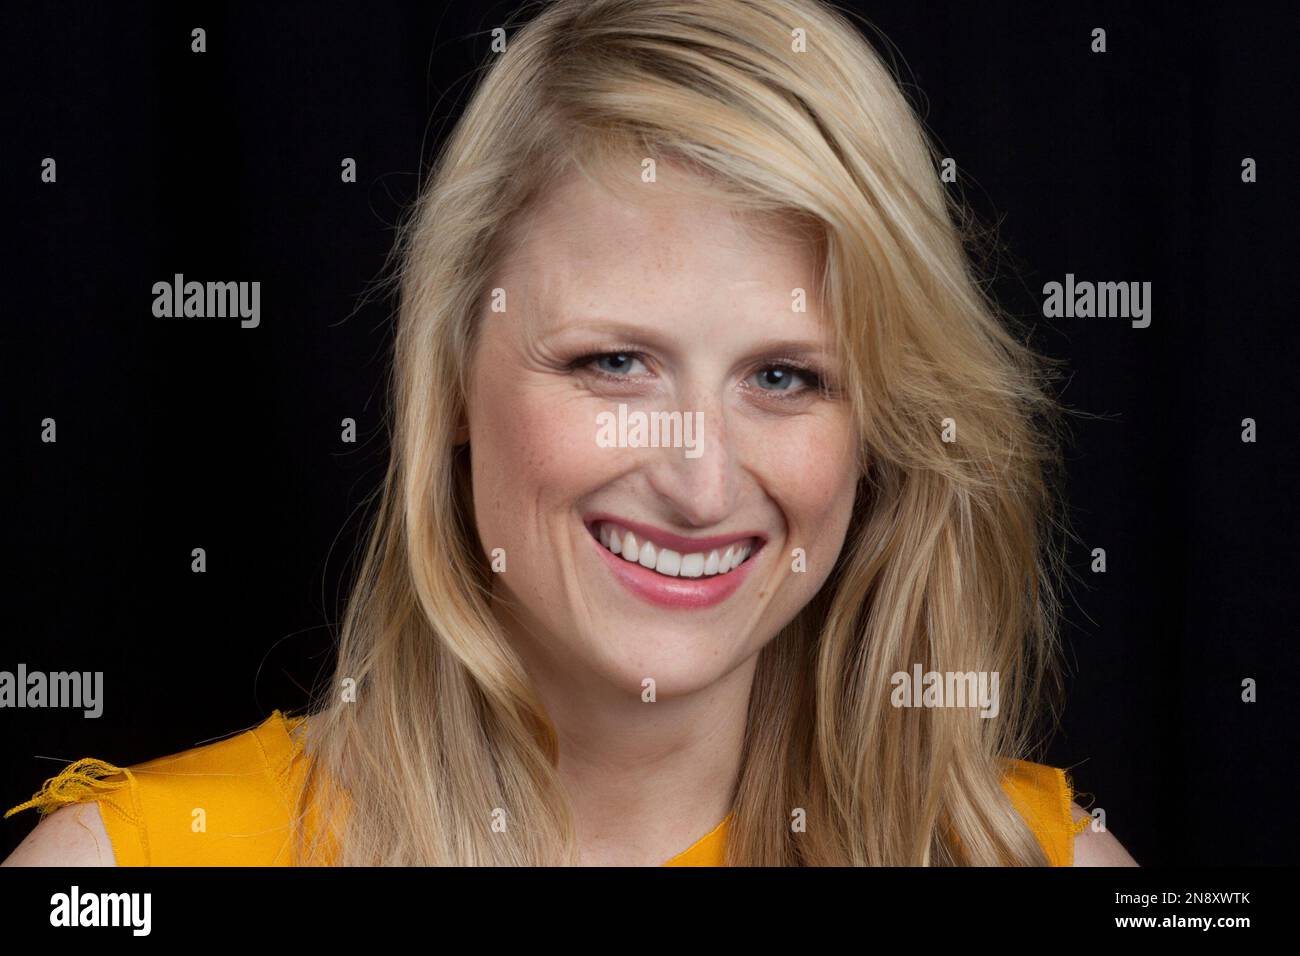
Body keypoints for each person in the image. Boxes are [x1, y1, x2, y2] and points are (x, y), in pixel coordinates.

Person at [4, 0, 1136, 867]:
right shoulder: (132, 865)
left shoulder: (1040, 856)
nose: (698, 479)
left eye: (785, 375)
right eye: (613, 362)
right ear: (448, 378)